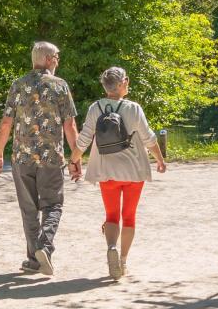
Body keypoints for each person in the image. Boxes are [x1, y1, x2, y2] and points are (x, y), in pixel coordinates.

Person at [0, 42, 80, 275]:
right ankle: (45, 246)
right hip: (51, 158)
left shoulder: (18, 85)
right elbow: (70, 124)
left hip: (22, 158)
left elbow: (6, 123)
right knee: (53, 205)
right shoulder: (60, 86)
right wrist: (76, 156)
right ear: (50, 59)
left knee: (29, 209)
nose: (58, 61)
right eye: (57, 57)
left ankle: (33, 259)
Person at [71, 66, 167, 280]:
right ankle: (123, 261)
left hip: (107, 171)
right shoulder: (134, 108)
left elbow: (84, 139)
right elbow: (149, 139)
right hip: (133, 171)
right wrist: (159, 160)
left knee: (112, 216)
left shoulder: (95, 107)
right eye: (126, 80)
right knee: (129, 216)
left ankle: (111, 247)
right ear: (122, 84)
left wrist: (73, 160)